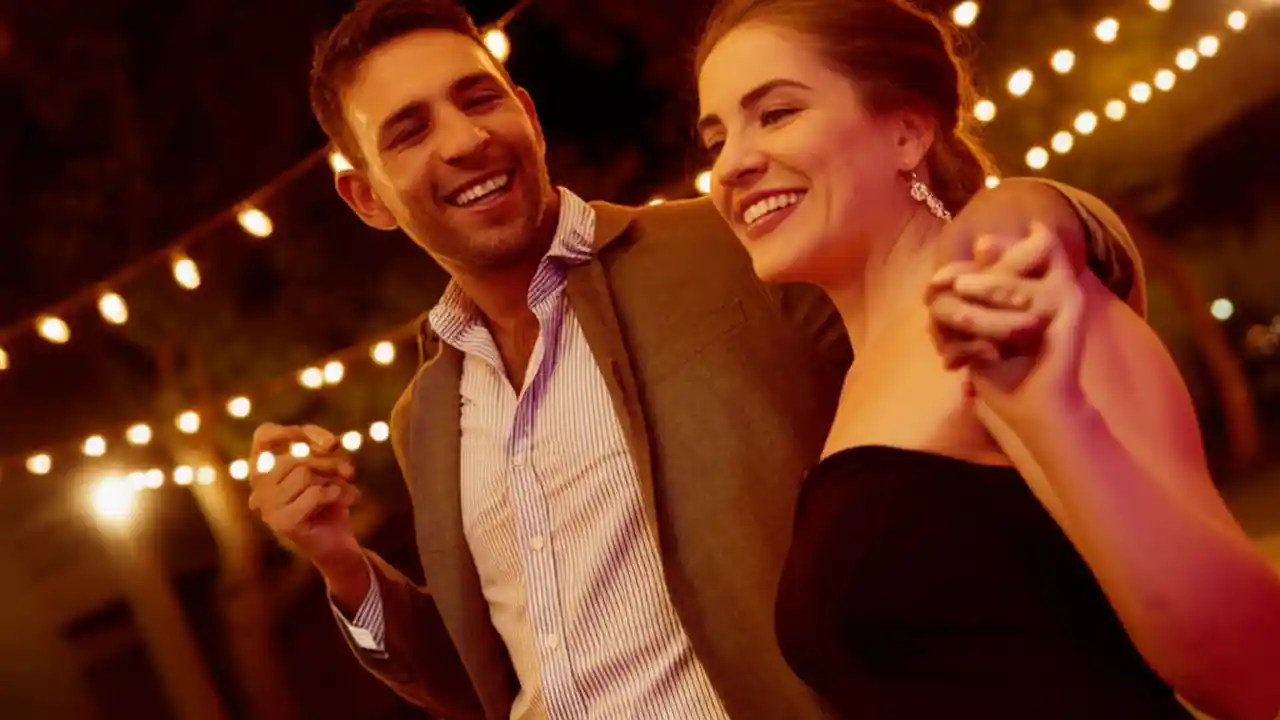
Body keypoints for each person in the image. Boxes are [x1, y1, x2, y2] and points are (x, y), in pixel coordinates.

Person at [247, 0, 1157, 717]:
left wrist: (1038, 214)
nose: (462, 138)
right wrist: (343, 567)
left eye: (477, 96)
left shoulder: (733, 243)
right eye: (408, 130)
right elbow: (489, 679)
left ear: (525, 111)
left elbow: (935, 243)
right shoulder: (423, 419)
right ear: (366, 197)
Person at [694, 0, 1280, 718]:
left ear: (907, 132)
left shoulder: (1021, 310)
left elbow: (1258, 671)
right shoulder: (849, 380)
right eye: (715, 139)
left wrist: (1056, 417)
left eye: (777, 113)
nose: (733, 165)